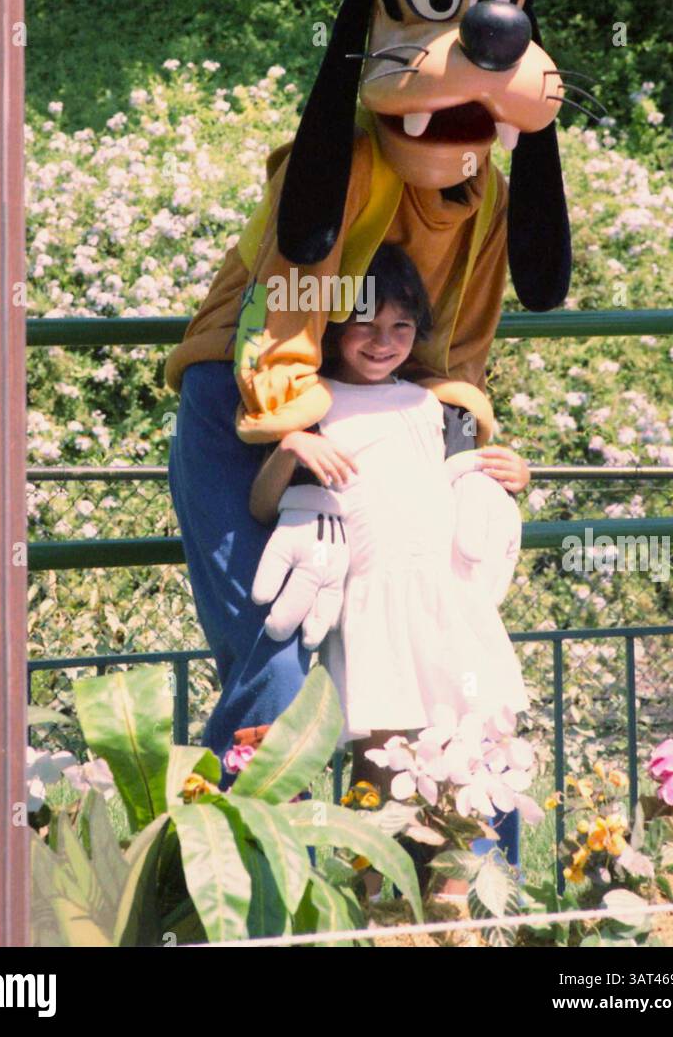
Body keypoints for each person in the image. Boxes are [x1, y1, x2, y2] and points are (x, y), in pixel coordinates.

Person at [249, 244, 531, 883]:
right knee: (379, 762)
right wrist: (289, 446)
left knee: (467, 754)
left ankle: (455, 902)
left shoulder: (427, 403)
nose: (384, 342)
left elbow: (469, 481)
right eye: (367, 327)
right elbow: (264, 504)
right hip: (373, 606)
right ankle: (369, 898)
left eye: (401, 328)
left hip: (446, 601)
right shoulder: (313, 403)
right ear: (335, 328)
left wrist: (519, 473)